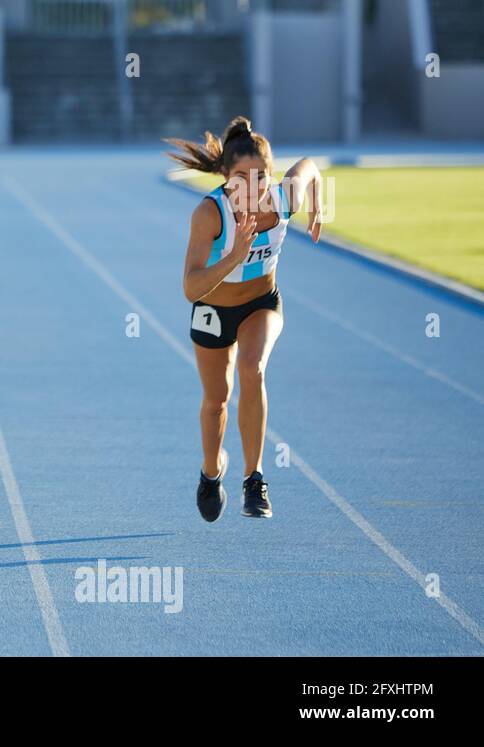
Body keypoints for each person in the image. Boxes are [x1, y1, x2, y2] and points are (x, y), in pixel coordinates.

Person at [166, 116, 322, 522]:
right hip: (213, 309)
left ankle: (255, 480)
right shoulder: (209, 214)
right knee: (216, 400)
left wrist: (318, 204)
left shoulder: (283, 198)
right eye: (240, 177)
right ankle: (212, 470)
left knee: (253, 370)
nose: (251, 188)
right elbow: (190, 287)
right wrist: (233, 258)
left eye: (260, 176)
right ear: (224, 176)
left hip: (260, 304)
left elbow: (310, 166)